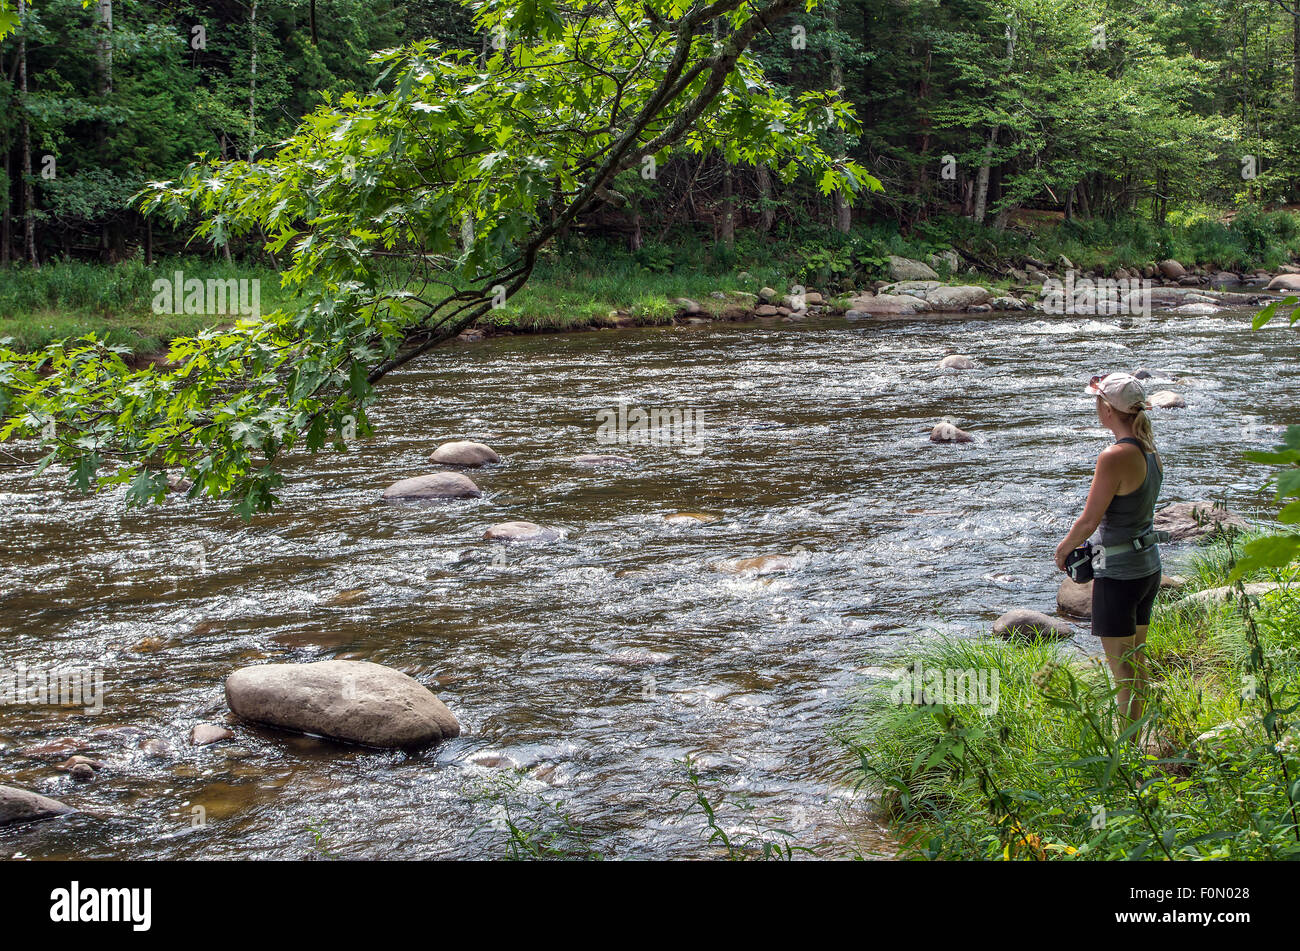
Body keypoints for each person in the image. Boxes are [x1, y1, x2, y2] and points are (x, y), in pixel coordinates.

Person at [1054, 372, 1163, 724]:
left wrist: (1062, 551)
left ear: (1108, 410)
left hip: (1118, 576)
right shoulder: (1151, 451)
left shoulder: (1114, 456)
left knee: (1122, 672)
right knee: (1136, 660)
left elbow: (1088, 521)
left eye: (1097, 401)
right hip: (1147, 568)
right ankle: (1141, 736)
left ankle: (1126, 752)